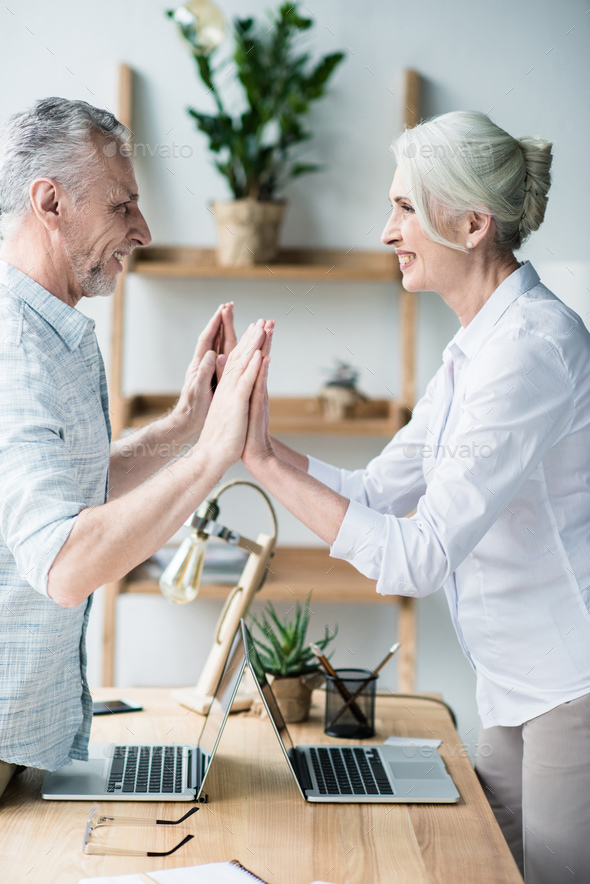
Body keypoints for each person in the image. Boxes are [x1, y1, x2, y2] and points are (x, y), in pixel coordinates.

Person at [241, 111, 590, 884]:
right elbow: (373, 493)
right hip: (511, 686)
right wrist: (257, 445)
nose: (385, 231)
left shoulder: (531, 351)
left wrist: (265, 469)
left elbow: (419, 556)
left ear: (471, 224)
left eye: (404, 208)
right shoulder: (474, 351)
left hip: (572, 691)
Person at [0, 97, 269, 797]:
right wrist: (213, 454)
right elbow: (63, 562)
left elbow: (79, 489)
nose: (142, 231)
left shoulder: (50, 328)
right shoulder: (18, 354)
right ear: (50, 202)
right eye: (122, 207)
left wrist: (184, 424)